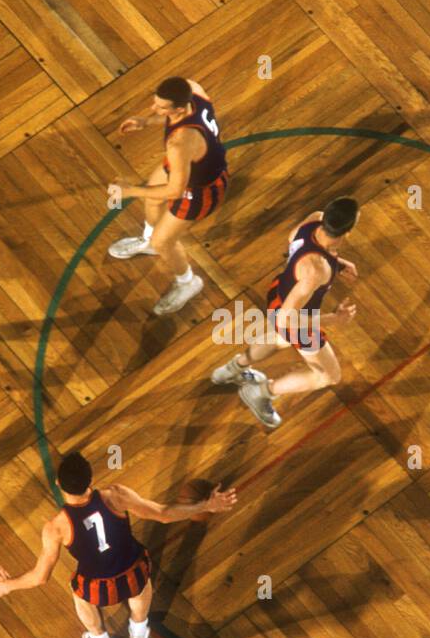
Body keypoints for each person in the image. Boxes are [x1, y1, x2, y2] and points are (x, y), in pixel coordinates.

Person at [0, 452, 237, 638]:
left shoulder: (57, 527)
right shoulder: (116, 495)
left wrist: (8, 585)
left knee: (78, 592)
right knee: (140, 586)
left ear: (57, 483)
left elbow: (40, 577)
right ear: (90, 480)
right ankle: (138, 635)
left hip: (98, 588)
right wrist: (205, 506)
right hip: (132, 572)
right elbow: (164, 514)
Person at [211, 198, 360, 429]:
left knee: (280, 337)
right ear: (348, 231)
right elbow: (287, 319)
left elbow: (293, 240)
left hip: (278, 294)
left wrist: (337, 263)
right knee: (328, 376)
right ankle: (261, 392)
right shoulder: (316, 269)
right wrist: (334, 319)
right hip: (293, 319)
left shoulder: (314, 218)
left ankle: (233, 369)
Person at [107, 77, 230, 315]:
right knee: (152, 197)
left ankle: (188, 283)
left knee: (164, 241)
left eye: (161, 108)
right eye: (155, 103)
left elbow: (175, 191)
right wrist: (147, 120)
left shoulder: (180, 143)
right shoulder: (193, 90)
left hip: (201, 190)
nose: (155, 108)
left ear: (179, 109)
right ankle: (148, 241)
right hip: (189, 166)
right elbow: (179, 90)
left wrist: (128, 191)